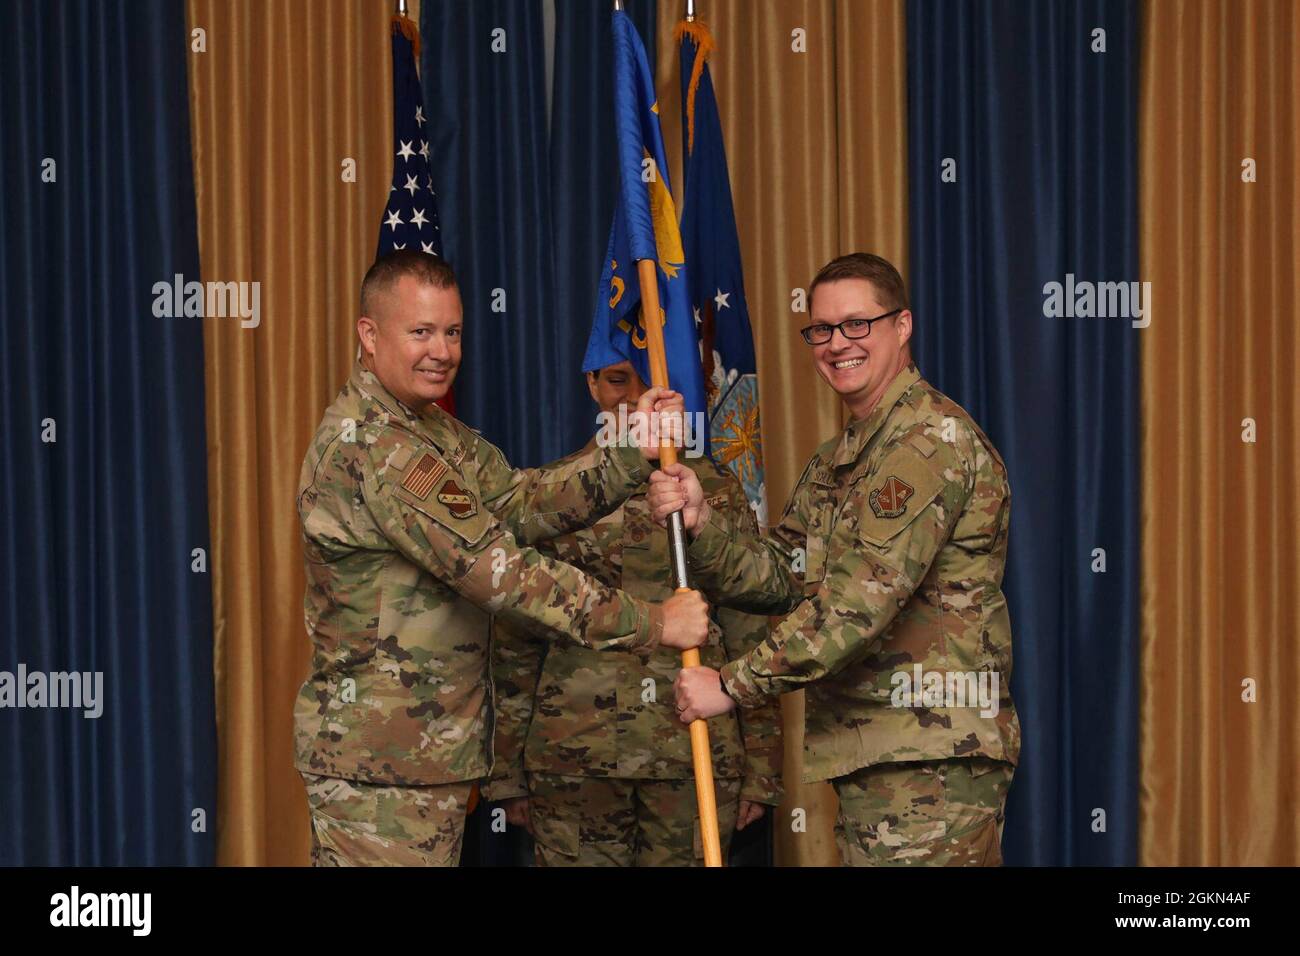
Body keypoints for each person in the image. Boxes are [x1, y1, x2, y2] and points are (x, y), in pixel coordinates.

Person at [294, 250, 709, 866]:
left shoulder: (428, 429)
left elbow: (520, 503)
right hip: (380, 769)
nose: (442, 350)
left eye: (452, 331)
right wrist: (653, 623)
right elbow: (501, 572)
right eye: (421, 332)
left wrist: (630, 449)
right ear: (369, 334)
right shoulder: (378, 446)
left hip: (419, 758)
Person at [648, 253, 1020, 866]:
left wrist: (732, 685)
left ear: (902, 327)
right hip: (880, 751)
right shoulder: (840, 458)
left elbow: (855, 605)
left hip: (931, 759)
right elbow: (784, 573)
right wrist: (702, 522)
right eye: (821, 329)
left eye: (856, 325)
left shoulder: (926, 442)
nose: (836, 344)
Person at [486, 360, 783, 866]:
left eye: (649, 383)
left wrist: (762, 766)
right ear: (592, 385)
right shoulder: (552, 493)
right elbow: (517, 634)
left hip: (691, 754)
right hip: (575, 756)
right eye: (620, 380)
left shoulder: (713, 489)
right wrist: (505, 769)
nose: (635, 398)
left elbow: (750, 625)